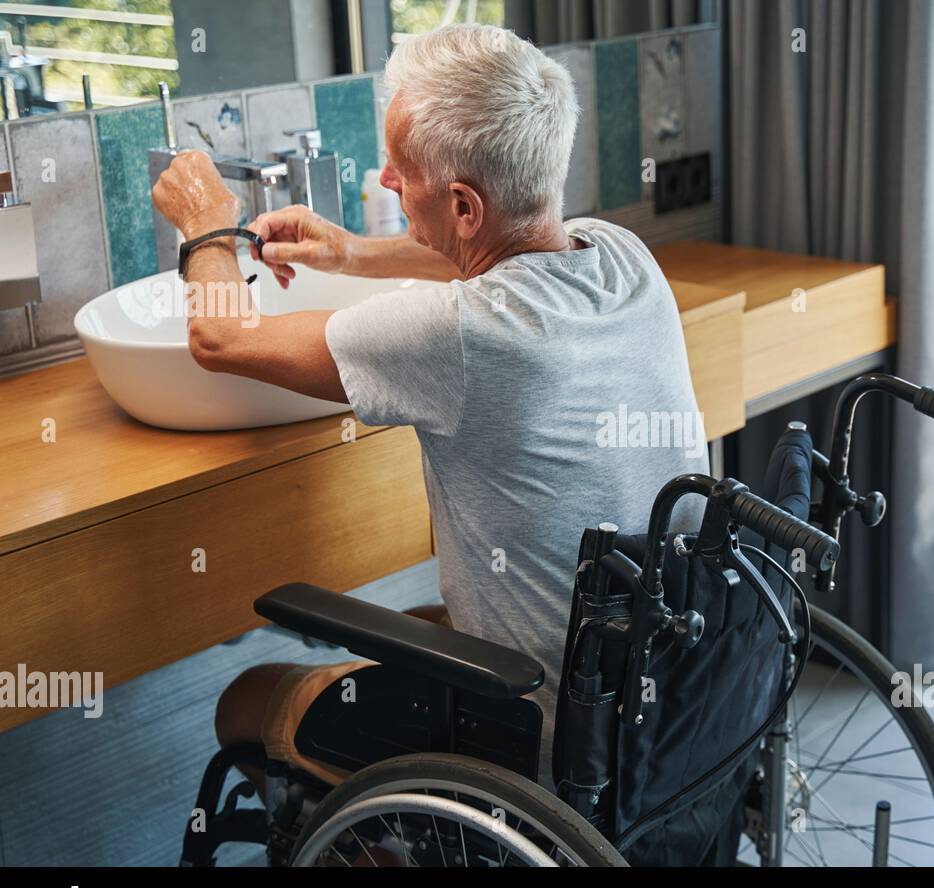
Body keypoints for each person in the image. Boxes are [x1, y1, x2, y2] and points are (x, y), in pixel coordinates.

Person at [151, 23, 705, 790]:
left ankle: (393, 838)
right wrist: (348, 253)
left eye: (401, 170)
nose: (385, 179)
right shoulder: (622, 255)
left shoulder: (459, 333)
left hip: (530, 732)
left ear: (463, 206)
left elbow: (218, 336)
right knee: (409, 628)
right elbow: (498, 246)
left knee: (246, 699)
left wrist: (205, 224)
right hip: (657, 697)